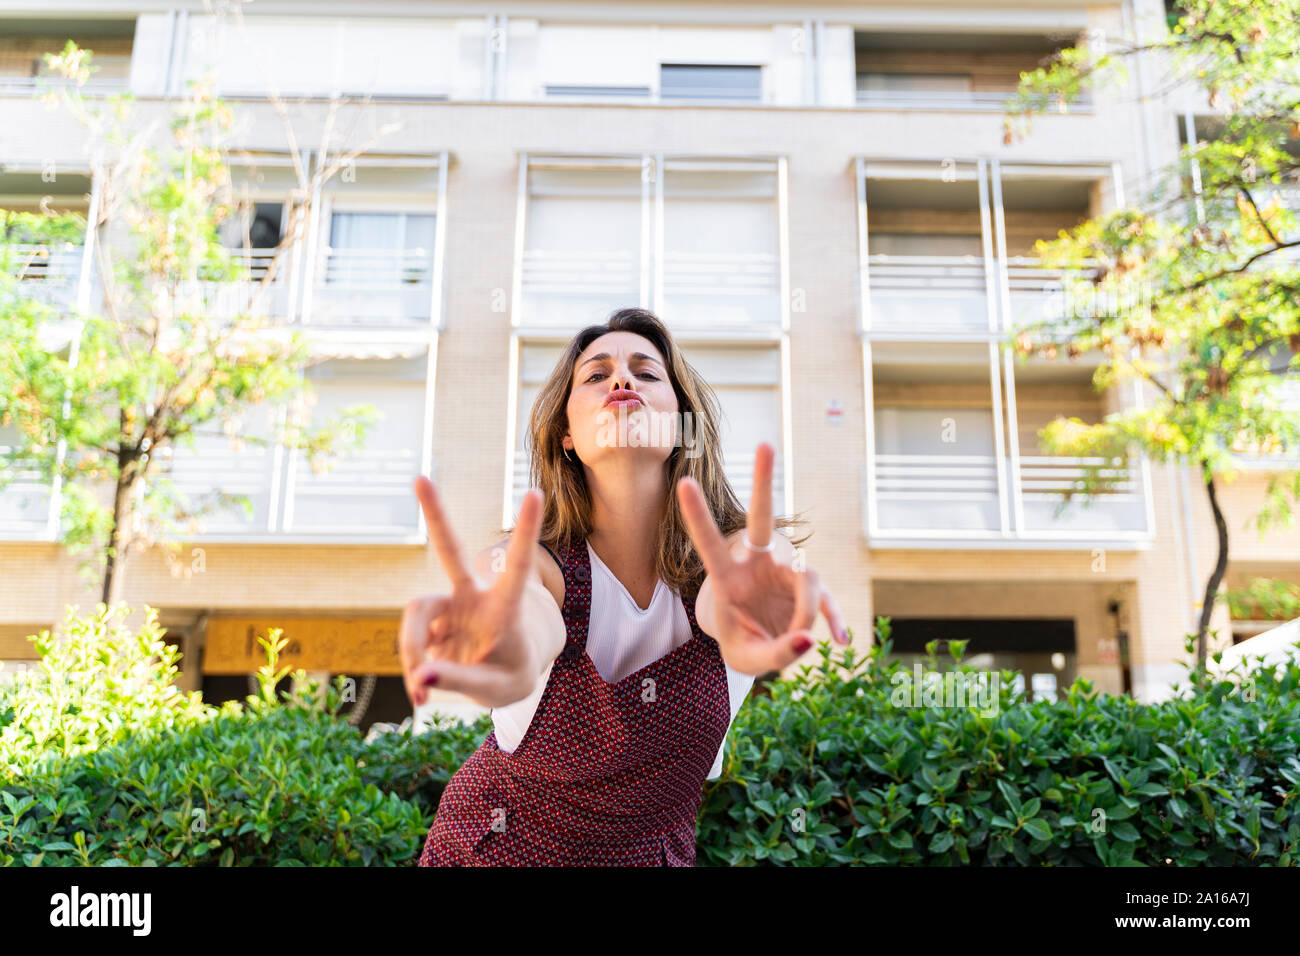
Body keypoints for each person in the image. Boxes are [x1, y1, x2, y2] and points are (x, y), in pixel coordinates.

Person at [402, 307, 849, 866]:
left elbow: (738, 592)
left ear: (681, 423)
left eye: (646, 372)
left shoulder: (738, 557)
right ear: (566, 435)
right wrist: (506, 642)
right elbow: (523, 616)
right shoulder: (532, 565)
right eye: (596, 374)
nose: (621, 380)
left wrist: (756, 601)